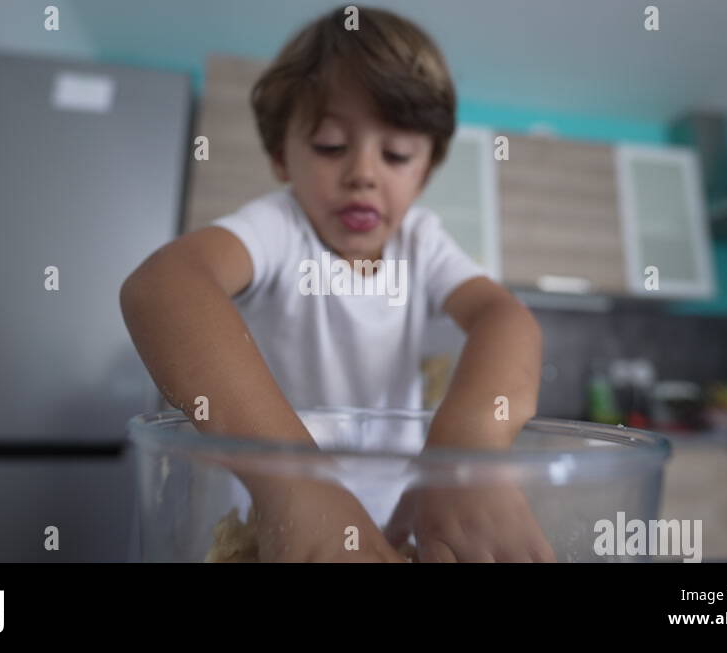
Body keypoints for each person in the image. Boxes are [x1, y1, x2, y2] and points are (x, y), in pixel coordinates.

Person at [120, 6, 555, 562]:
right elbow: (163, 286)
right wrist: (296, 481)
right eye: (329, 146)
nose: (363, 174)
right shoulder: (279, 228)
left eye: (397, 154)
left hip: (397, 529)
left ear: (425, 171)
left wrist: (466, 452)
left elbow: (505, 319)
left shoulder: (421, 242)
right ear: (282, 157)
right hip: (280, 521)